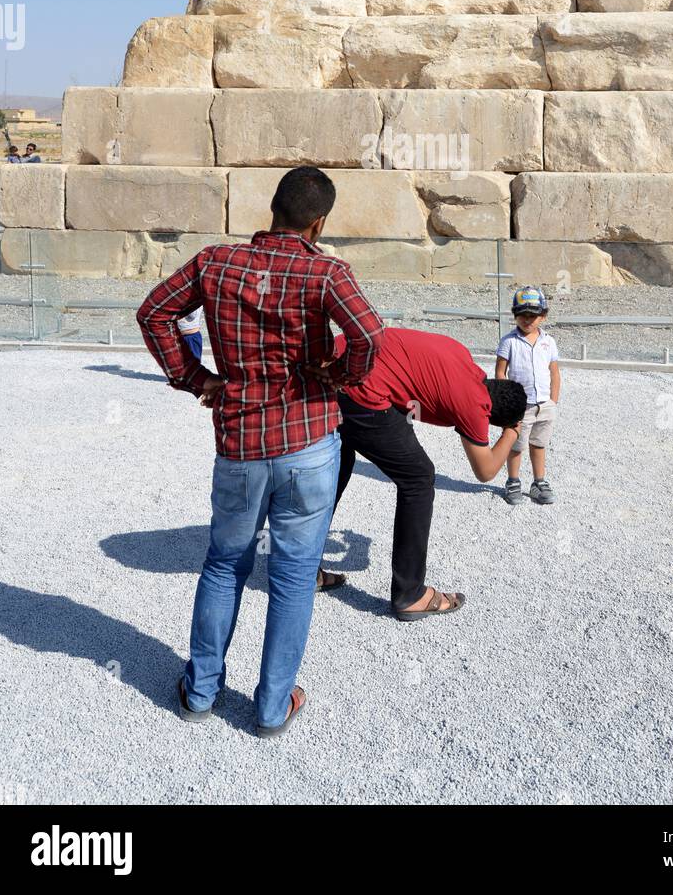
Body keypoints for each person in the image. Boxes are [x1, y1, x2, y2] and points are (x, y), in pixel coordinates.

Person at [136, 165, 384, 736]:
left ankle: (200, 691)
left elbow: (154, 312)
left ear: (272, 207)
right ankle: (272, 706)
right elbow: (369, 335)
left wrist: (195, 378)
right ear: (318, 222)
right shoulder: (325, 273)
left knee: (224, 564)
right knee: (294, 577)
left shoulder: (215, 263)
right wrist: (340, 375)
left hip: (241, 441)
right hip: (308, 442)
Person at [313, 327, 527, 622]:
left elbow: (408, 377)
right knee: (419, 478)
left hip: (332, 362)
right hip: (355, 385)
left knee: (340, 460)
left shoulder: (465, 360)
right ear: (493, 416)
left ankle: (301, 569)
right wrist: (513, 431)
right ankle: (410, 594)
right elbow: (486, 470)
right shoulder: (476, 404)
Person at [495, 287, 560, 507]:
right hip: (520, 407)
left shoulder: (548, 342)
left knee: (539, 444)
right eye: (522, 315)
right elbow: (500, 372)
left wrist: (553, 400)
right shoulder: (508, 341)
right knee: (516, 446)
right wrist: (506, 402)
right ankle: (513, 481)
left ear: (543, 316)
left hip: (545, 405)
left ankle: (538, 482)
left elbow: (554, 372)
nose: (527, 320)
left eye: (533, 315)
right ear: (515, 315)